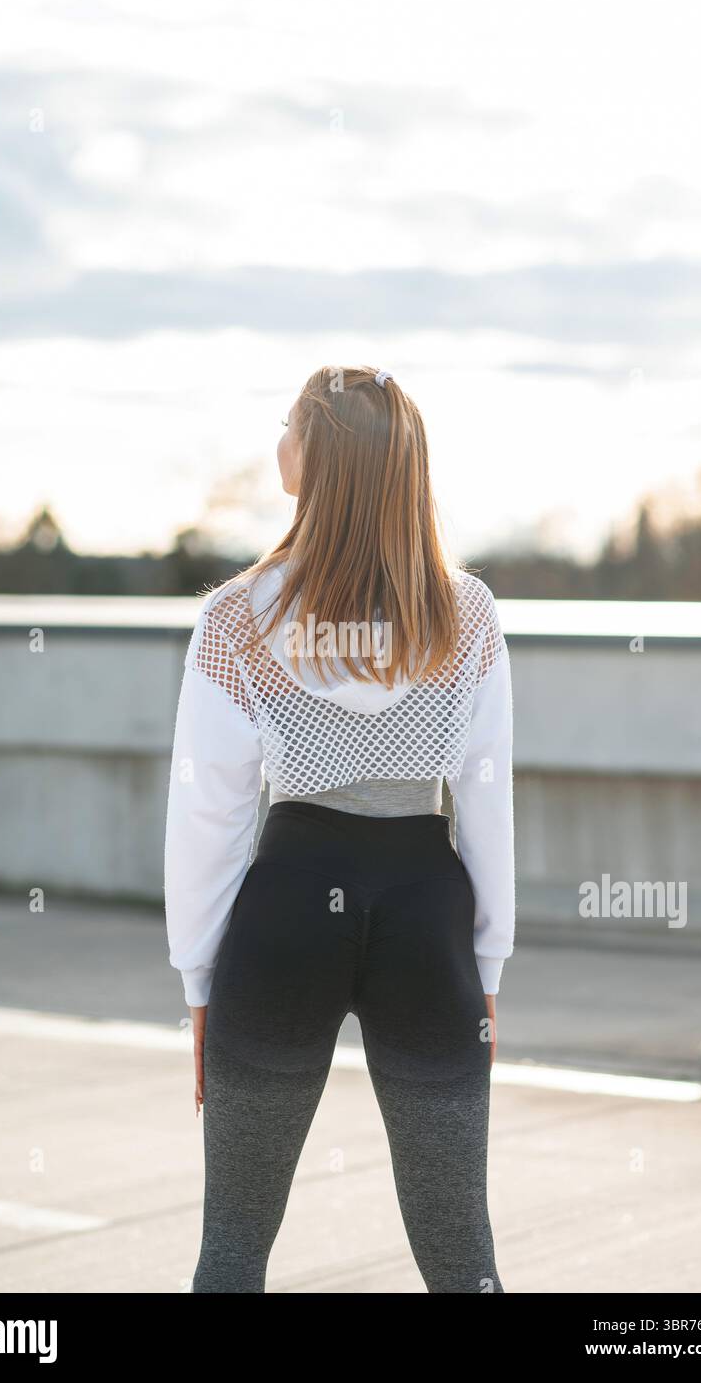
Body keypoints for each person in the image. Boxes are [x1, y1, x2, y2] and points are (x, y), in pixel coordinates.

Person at [164, 364, 515, 1293]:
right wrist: (485, 969)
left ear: (315, 457)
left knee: (233, 1247)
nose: (276, 437)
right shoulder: (465, 613)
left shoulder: (236, 617)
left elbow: (208, 813)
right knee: (461, 1257)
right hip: (425, 914)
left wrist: (199, 980)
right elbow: (485, 801)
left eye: (288, 423)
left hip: (286, 910)